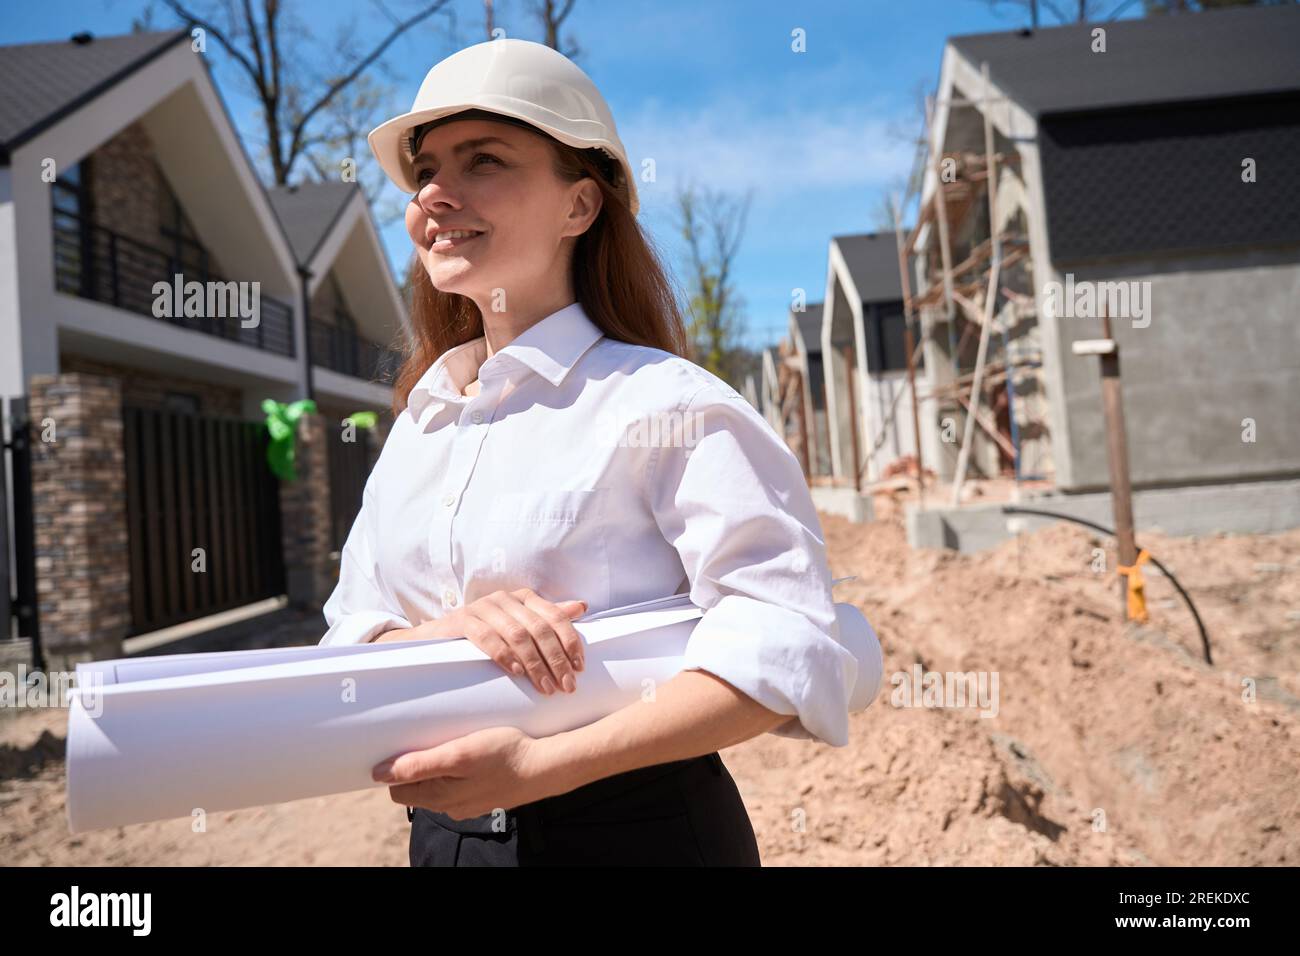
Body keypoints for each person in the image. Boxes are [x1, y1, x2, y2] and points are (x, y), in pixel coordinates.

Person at [320, 38, 857, 866]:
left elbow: (787, 644)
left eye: (483, 160)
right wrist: (448, 636)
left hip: (633, 835)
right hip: (445, 845)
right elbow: (345, 637)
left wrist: (541, 767)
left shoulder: (669, 406)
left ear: (580, 206)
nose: (433, 193)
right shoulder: (421, 425)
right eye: (425, 168)